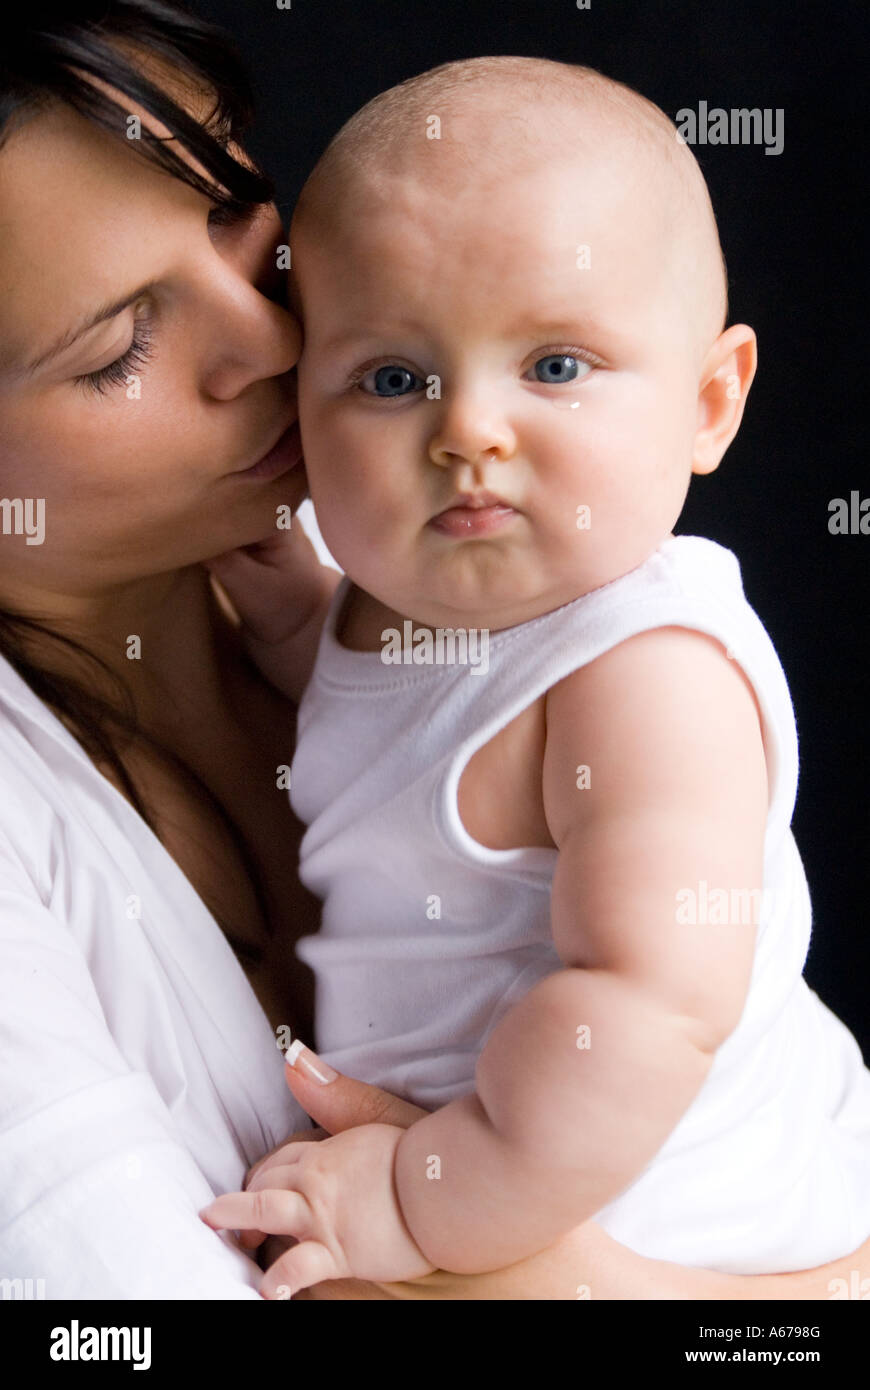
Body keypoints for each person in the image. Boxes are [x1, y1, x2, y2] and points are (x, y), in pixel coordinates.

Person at [0, 4, 867, 1300]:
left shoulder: (525, 606)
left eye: (270, 256)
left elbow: (663, 1010)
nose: (278, 344)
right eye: (121, 346)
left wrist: (491, 1239)